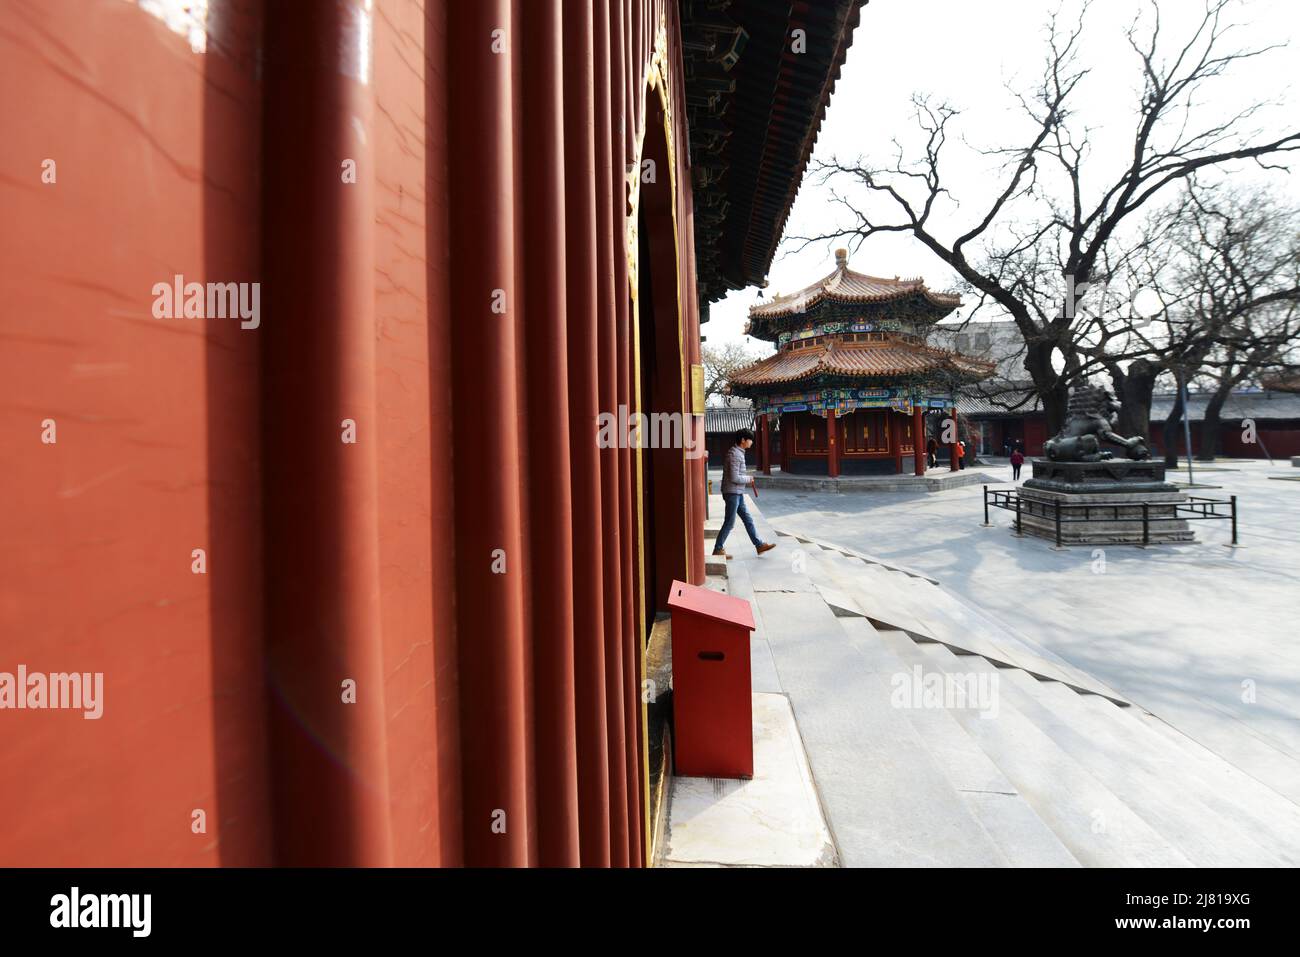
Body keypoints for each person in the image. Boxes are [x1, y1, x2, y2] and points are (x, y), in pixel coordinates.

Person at [714, 428, 776, 558]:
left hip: (737, 492)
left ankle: (759, 545)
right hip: (732, 493)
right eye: (750, 439)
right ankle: (718, 549)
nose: (751, 442)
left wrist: (746, 478)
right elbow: (734, 478)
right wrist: (749, 479)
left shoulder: (738, 452)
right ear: (743, 440)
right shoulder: (735, 454)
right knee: (729, 522)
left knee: (748, 519)